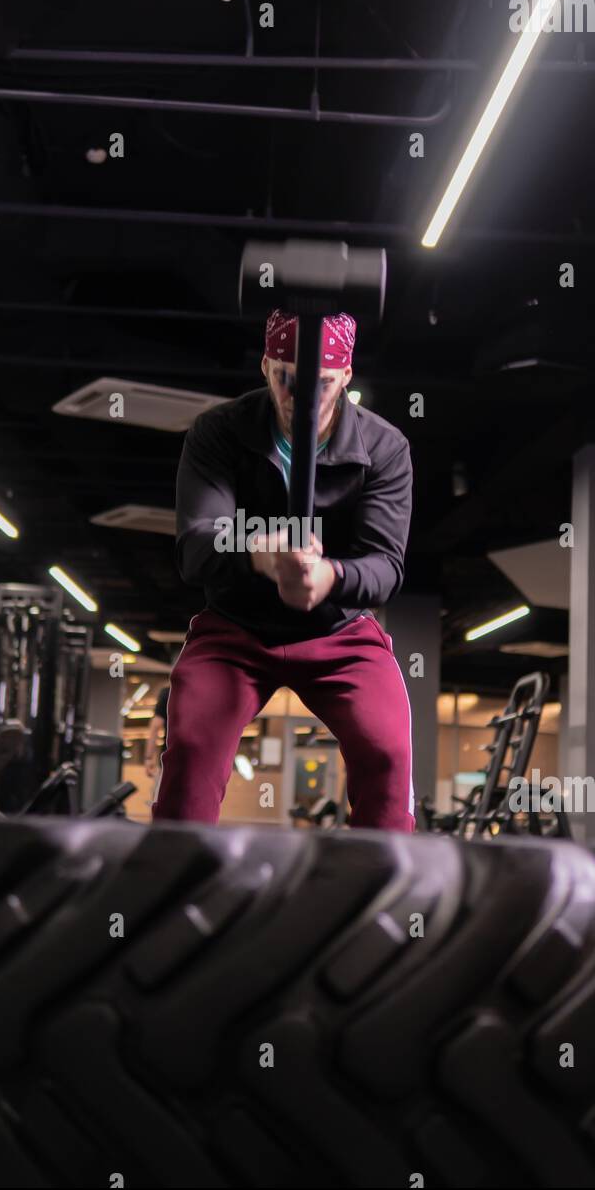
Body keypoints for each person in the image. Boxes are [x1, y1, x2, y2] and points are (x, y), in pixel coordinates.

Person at [153, 308, 414, 831]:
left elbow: (385, 566)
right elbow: (196, 548)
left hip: (338, 630)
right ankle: (174, 884)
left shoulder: (384, 449)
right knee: (192, 749)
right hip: (236, 627)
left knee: (387, 752)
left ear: (344, 378)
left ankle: (381, 891)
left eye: (319, 384)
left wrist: (330, 578)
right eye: (286, 380)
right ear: (267, 366)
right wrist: (261, 555)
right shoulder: (219, 433)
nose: (302, 398)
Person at [144, 684, 170, 788]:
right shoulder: (204, 694)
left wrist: (149, 758)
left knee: (163, 799)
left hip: (170, 759)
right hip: (199, 762)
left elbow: (155, 726)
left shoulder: (169, 692)